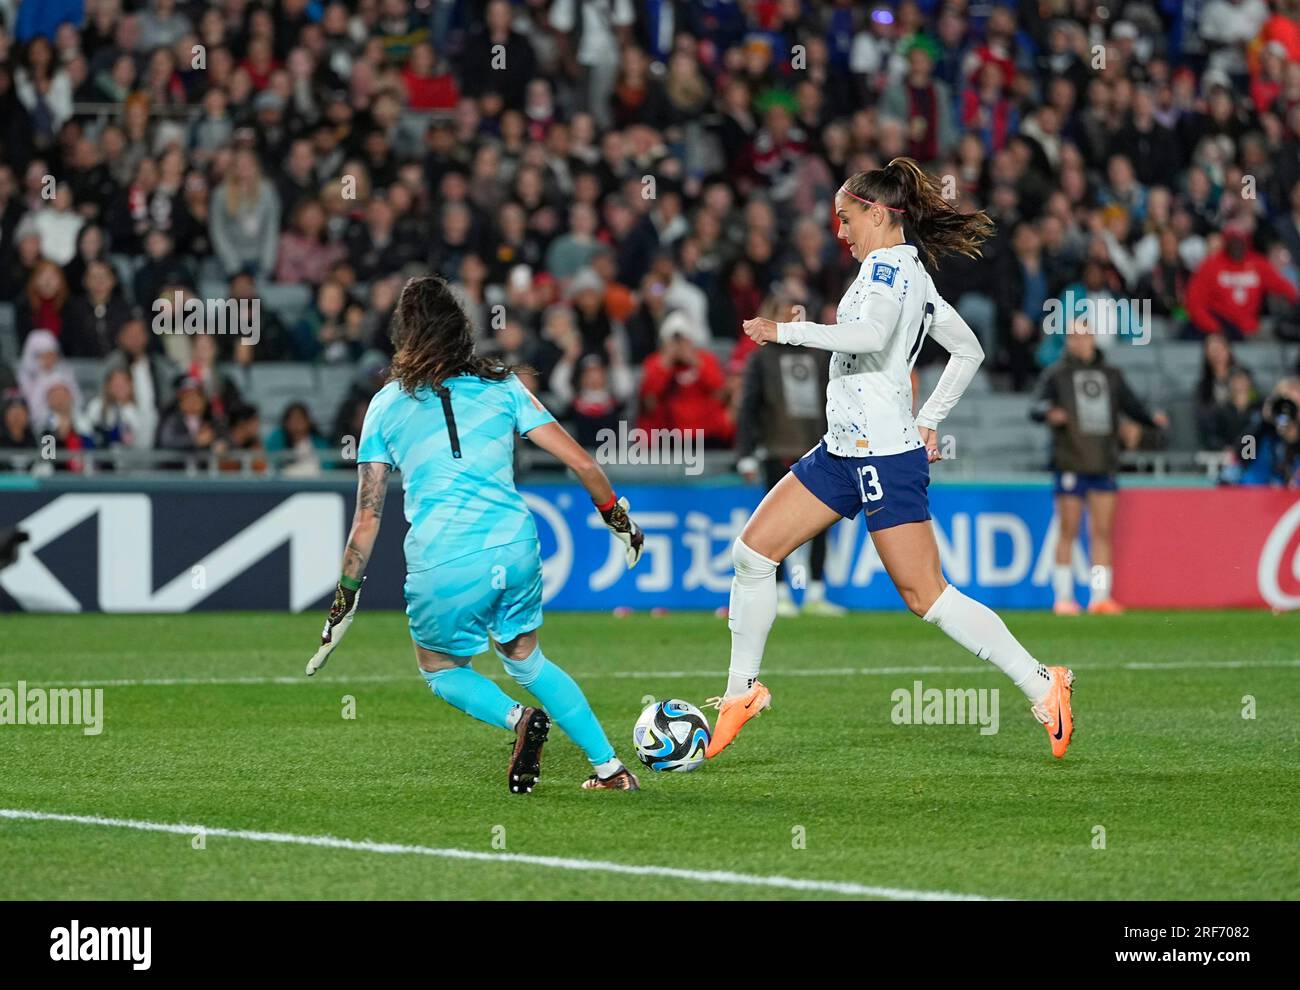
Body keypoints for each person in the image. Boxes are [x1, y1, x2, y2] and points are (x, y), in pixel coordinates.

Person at [713, 157, 1077, 761]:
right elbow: (968, 350)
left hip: (883, 457)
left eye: (846, 217)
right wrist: (930, 416)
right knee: (753, 553)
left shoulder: (885, 272)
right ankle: (739, 693)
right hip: (841, 450)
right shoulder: (910, 274)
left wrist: (788, 333)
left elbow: (872, 338)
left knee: (926, 596)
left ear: (878, 215)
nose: (840, 231)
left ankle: (1043, 683)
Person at [305, 274, 647, 793]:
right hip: (515, 545)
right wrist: (618, 520)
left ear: (404, 335)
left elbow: (367, 519)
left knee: (440, 667)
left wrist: (343, 601)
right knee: (526, 657)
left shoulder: (384, 406)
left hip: (444, 557)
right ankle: (611, 769)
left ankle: (517, 721)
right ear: (461, 329)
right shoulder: (503, 384)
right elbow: (581, 460)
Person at [1031, 320, 1168, 615]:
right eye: (1072, 337)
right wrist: (1049, 413)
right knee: (1067, 530)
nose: (1077, 342)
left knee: (1101, 532)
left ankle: (1099, 596)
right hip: (1070, 459)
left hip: (1103, 460)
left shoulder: (1112, 375)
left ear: (1092, 338)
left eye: (1082, 336)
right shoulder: (1056, 375)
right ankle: (1064, 597)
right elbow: (1036, 407)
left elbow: (1132, 406)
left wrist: (1151, 421)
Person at [734, 295, 841, 618]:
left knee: (820, 524)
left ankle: (816, 591)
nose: (791, 321)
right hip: (776, 450)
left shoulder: (818, 356)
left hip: (818, 448)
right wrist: (746, 454)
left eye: (796, 315)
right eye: (783, 315)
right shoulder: (761, 359)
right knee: (776, 525)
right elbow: (748, 408)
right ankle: (779, 592)